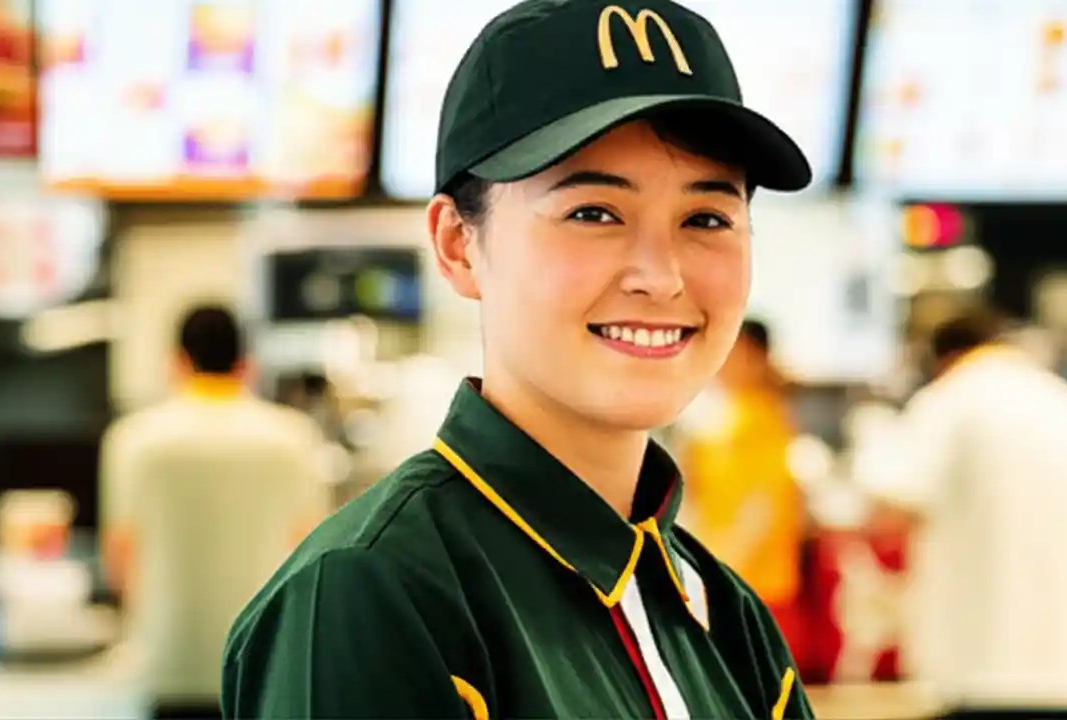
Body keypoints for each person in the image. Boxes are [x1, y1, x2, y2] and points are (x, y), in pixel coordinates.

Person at [220, 1, 815, 718]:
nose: (660, 276)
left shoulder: (725, 614)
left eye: (706, 218)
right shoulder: (374, 593)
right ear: (457, 243)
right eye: (594, 213)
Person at [857, 309, 1067, 720]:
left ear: (942, 358)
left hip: (979, 667)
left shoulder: (952, 399)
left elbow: (889, 500)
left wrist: (870, 426)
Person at [100, 305, 330, 719]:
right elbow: (312, 553)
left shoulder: (134, 440)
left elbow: (120, 556)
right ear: (246, 365)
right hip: (263, 659)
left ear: (178, 361)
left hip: (170, 661)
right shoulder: (293, 439)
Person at [678, 319, 807, 661]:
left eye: (734, 353)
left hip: (755, 584)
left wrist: (722, 568)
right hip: (723, 578)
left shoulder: (764, 420)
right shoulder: (719, 420)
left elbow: (763, 507)